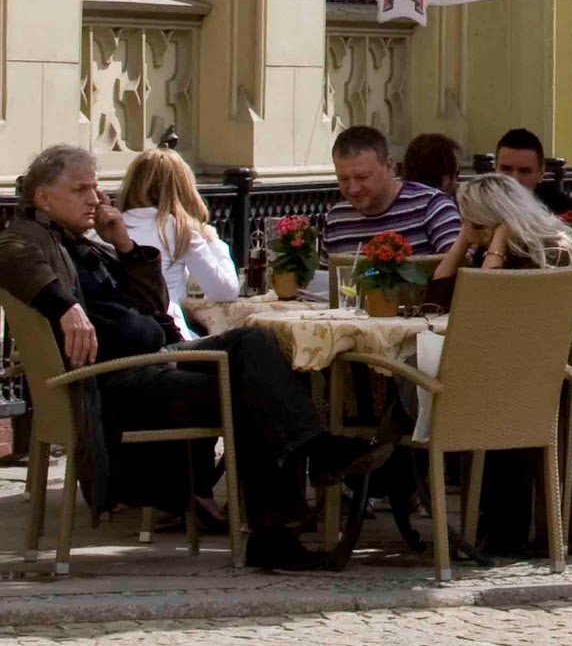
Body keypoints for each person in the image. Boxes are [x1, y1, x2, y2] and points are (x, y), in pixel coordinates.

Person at [0, 145, 392, 571]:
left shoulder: (87, 245)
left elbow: (155, 304)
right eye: (80, 189)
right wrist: (65, 306)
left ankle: (312, 455)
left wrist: (126, 245)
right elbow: (9, 254)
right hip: (115, 383)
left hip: (155, 359)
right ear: (42, 198)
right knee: (249, 390)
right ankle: (279, 521)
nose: (95, 199)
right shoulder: (30, 236)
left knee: (255, 343)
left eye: (96, 188)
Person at [424, 174, 572, 557]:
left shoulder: (549, 250)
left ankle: (520, 529)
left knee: (493, 396)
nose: (473, 233)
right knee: (479, 392)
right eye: (467, 223)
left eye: (479, 225)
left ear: (504, 221)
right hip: (530, 369)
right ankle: (499, 527)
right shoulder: (496, 249)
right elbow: (437, 301)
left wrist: (493, 249)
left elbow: (490, 309)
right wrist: (465, 241)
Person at [117, 148, 239, 341]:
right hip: (168, 336)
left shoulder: (109, 228)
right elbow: (225, 290)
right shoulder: (179, 229)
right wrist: (215, 242)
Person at [323, 126, 461, 255]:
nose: (353, 189)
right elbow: (328, 278)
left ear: (388, 166)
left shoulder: (432, 207)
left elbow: (458, 269)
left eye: (362, 177)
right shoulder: (336, 219)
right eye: (344, 179)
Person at [495, 127, 572, 214]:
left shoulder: (562, 209)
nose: (514, 180)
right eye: (506, 169)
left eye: (524, 171)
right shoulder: (480, 203)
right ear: (495, 168)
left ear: (541, 173)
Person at [400, 132, 461, 196]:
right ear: (445, 178)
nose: (457, 184)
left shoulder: (395, 200)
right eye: (456, 174)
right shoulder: (443, 204)